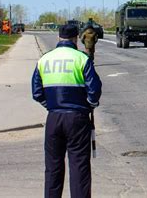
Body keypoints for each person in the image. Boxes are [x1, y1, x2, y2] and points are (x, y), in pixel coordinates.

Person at [32, 24, 102, 198]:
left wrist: (51, 106)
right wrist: (89, 105)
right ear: (75, 38)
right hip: (77, 118)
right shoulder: (81, 59)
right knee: (79, 167)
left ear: (59, 37)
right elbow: (94, 88)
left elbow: (36, 92)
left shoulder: (44, 59)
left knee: (53, 168)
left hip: (54, 118)